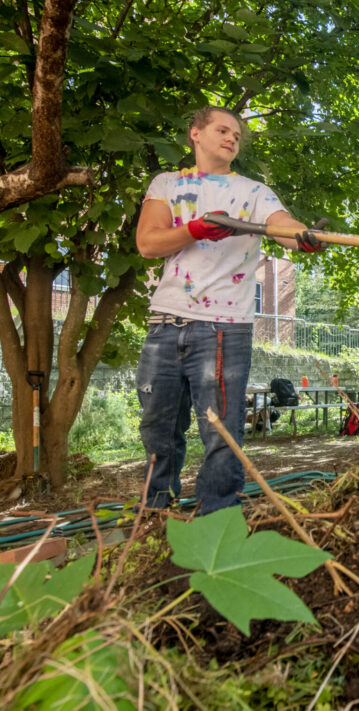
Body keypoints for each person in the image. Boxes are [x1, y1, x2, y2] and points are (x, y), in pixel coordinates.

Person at [135, 106, 323, 513]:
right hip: (165, 322)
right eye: (223, 130)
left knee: (221, 431)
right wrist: (195, 229)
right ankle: (155, 511)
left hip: (223, 329)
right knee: (157, 427)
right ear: (195, 134)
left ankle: (217, 514)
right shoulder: (167, 184)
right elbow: (148, 243)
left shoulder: (254, 192)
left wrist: (304, 237)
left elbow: (283, 226)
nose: (232, 138)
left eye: (237, 135)